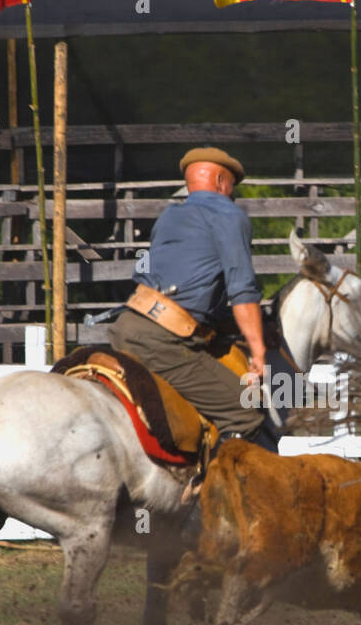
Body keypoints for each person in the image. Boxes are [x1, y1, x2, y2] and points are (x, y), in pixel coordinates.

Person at [106, 146, 277, 451]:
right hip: (164, 341)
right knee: (245, 411)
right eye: (233, 188)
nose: (233, 195)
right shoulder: (229, 215)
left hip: (126, 327)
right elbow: (242, 292)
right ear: (222, 181)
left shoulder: (168, 217)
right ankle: (209, 492)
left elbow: (184, 284)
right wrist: (259, 354)